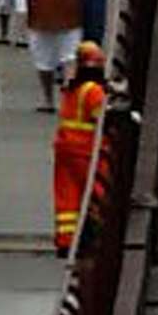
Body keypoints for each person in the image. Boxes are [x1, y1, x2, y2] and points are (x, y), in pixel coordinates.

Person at [51, 38, 109, 255]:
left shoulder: (72, 89)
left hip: (64, 148)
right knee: (97, 193)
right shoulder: (93, 91)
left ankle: (66, 240)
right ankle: (98, 236)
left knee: (67, 196)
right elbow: (103, 118)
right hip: (86, 151)